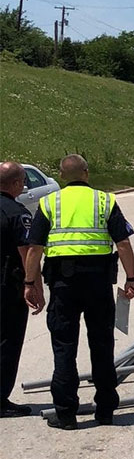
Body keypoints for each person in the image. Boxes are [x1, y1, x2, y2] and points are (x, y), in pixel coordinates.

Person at [24, 154, 134, 430]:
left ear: (62, 176)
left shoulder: (49, 202)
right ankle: (106, 410)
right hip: (99, 283)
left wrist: (30, 283)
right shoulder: (105, 201)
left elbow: (34, 249)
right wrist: (131, 278)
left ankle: (66, 414)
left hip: (63, 285)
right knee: (102, 345)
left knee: (64, 347)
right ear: (86, 173)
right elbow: (122, 243)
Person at [1, 162, 41, 417]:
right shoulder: (16, 212)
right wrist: (33, 286)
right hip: (7, 287)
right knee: (7, 341)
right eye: (23, 182)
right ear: (15, 184)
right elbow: (28, 253)